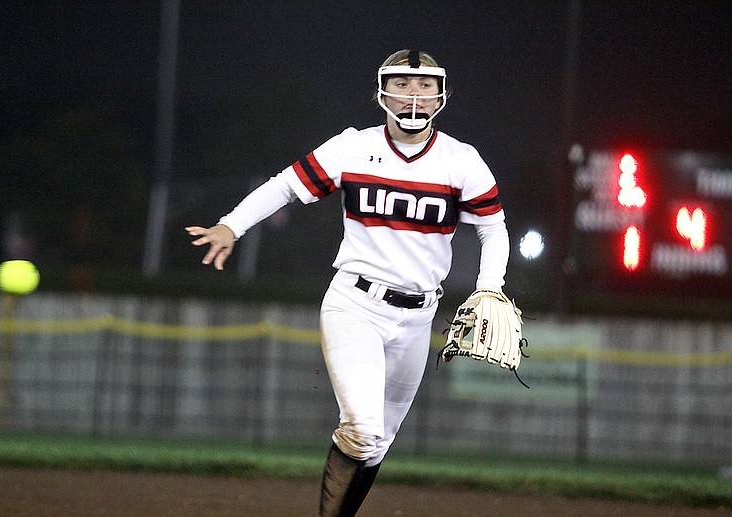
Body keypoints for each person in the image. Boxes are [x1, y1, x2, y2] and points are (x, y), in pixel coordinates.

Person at [186, 49, 510, 517]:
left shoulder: (462, 161)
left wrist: (489, 286)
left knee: (376, 444)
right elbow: (285, 185)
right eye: (401, 84)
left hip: (420, 318)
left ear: (442, 94)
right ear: (382, 93)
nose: (412, 95)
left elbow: (492, 227)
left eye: (422, 85)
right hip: (356, 304)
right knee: (361, 427)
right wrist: (231, 225)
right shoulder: (353, 146)